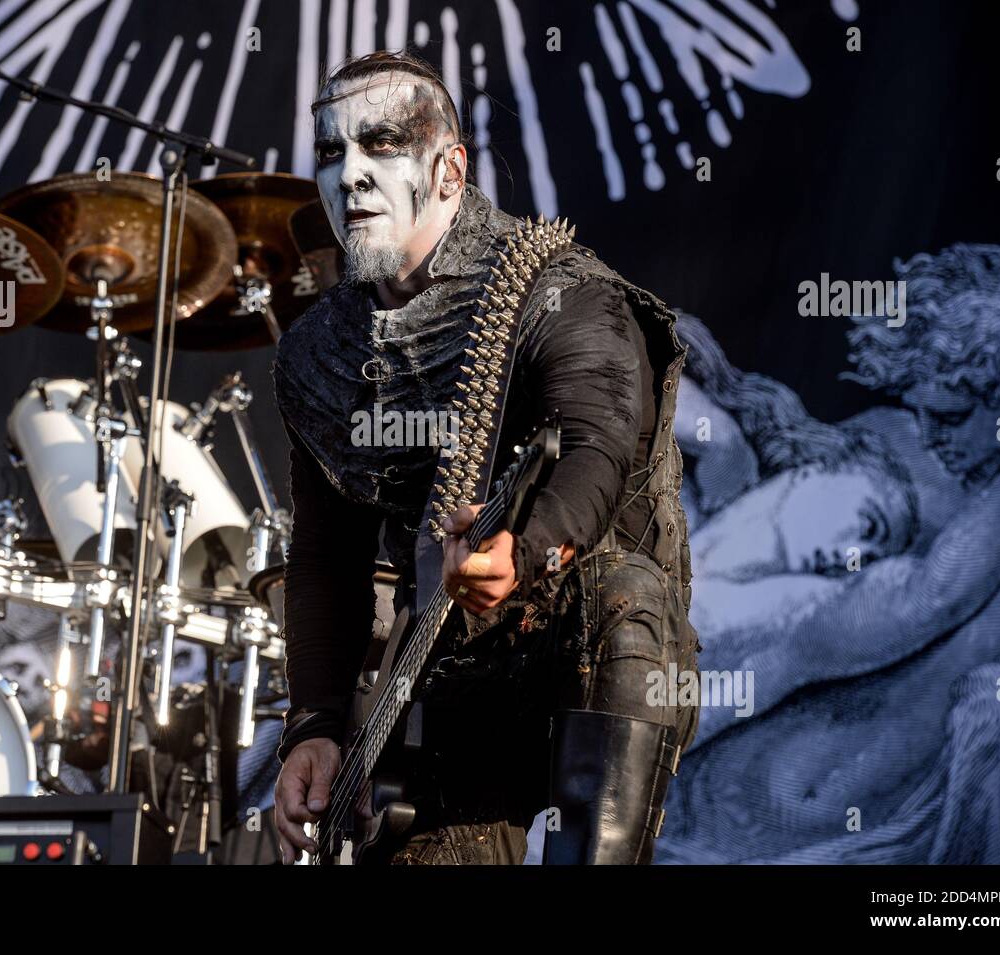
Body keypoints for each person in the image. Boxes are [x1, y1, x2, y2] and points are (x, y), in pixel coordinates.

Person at [270, 50, 699, 865]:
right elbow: (327, 556)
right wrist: (317, 724)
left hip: (586, 648)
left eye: (380, 144)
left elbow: (595, 442)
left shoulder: (558, 288)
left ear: (447, 168)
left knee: (621, 595)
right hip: (446, 674)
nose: (350, 175)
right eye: (332, 151)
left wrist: (526, 547)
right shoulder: (316, 354)